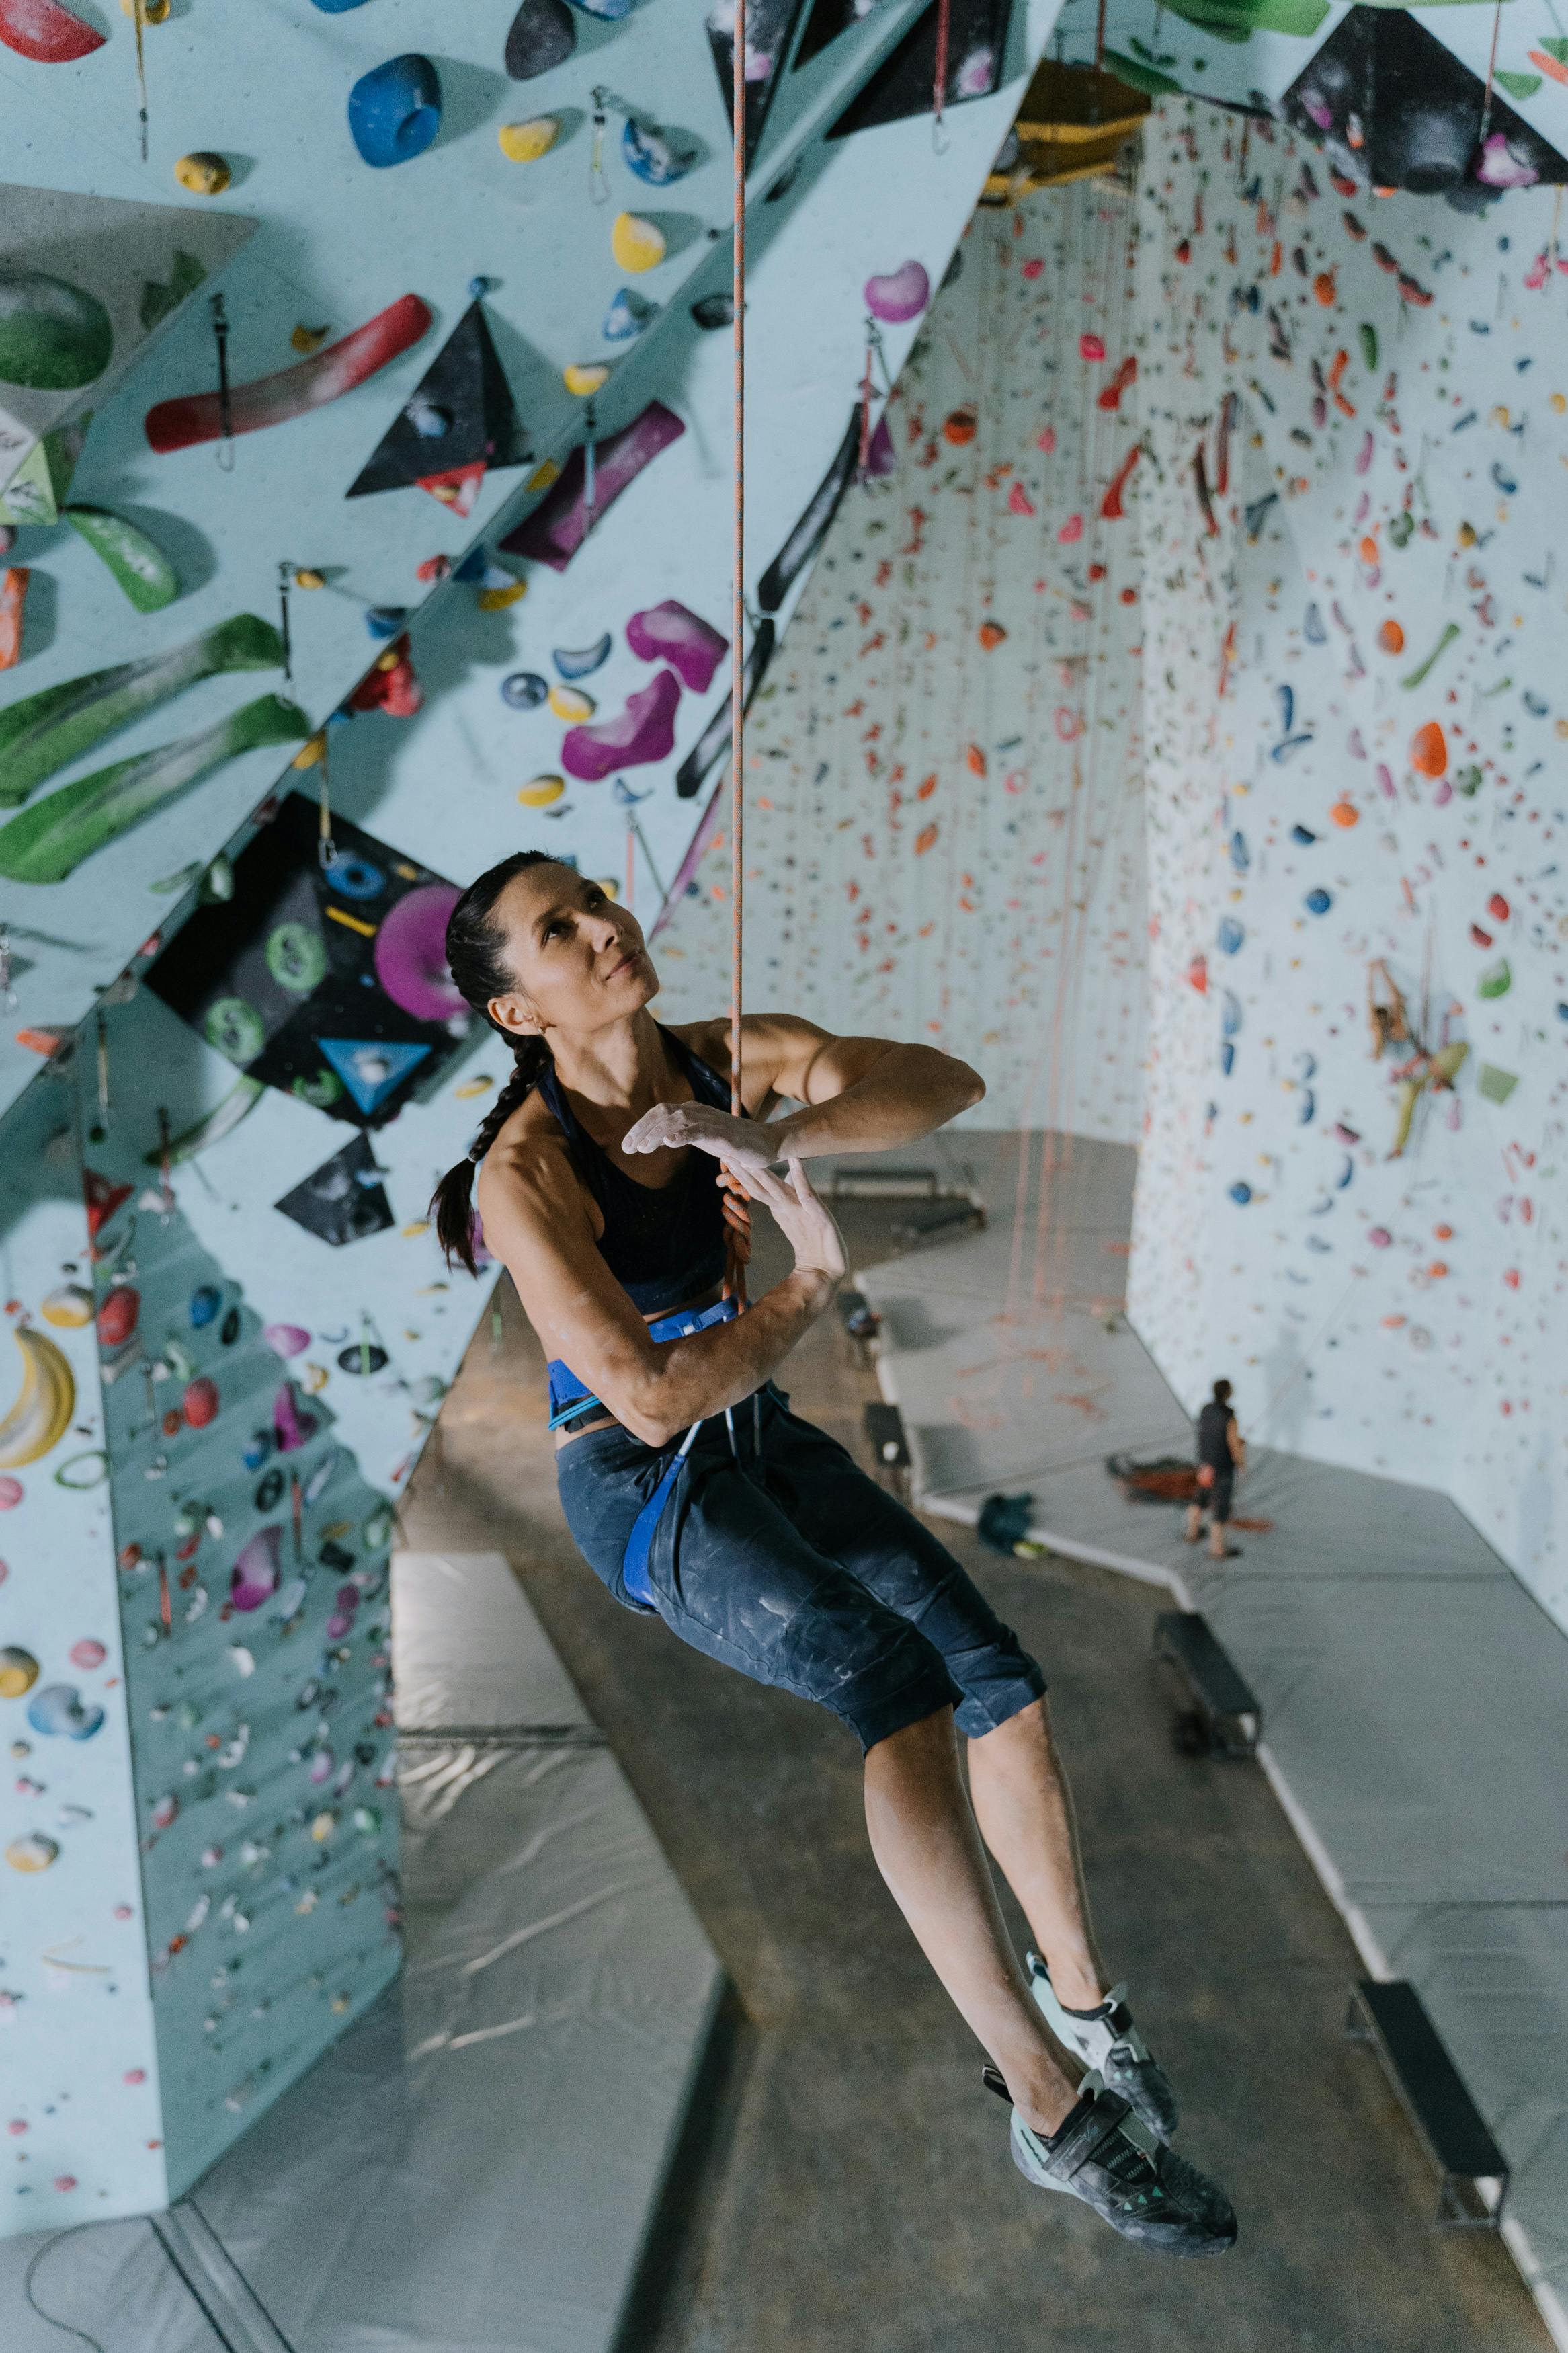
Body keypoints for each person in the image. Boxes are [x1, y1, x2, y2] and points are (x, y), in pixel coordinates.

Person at [429, 851, 1237, 2258]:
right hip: (646, 1488)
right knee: (893, 1685)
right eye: (558, 929)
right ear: (516, 1012)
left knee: (1002, 1685)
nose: (606, 925)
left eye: (596, 899)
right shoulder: (528, 1174)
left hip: (752, 1433)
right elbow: (650, 1399)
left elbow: (941, 1081)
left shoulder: (723, 1059)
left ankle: (1088, 2013)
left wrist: (772, 1136)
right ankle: (1046, 2109)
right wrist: (809, 1278)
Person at [1185, 1378, 1245, 1560]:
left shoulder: (1206, 1410)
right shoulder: (1229, 1417)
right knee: (1220, 1507)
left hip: (1205, 1464)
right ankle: (1217, 1550)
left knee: (1199, 1499)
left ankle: (1192, 1533)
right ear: (1229, 1393)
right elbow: (1233, 1444)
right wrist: (1241, 1463)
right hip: (1222, 1468)